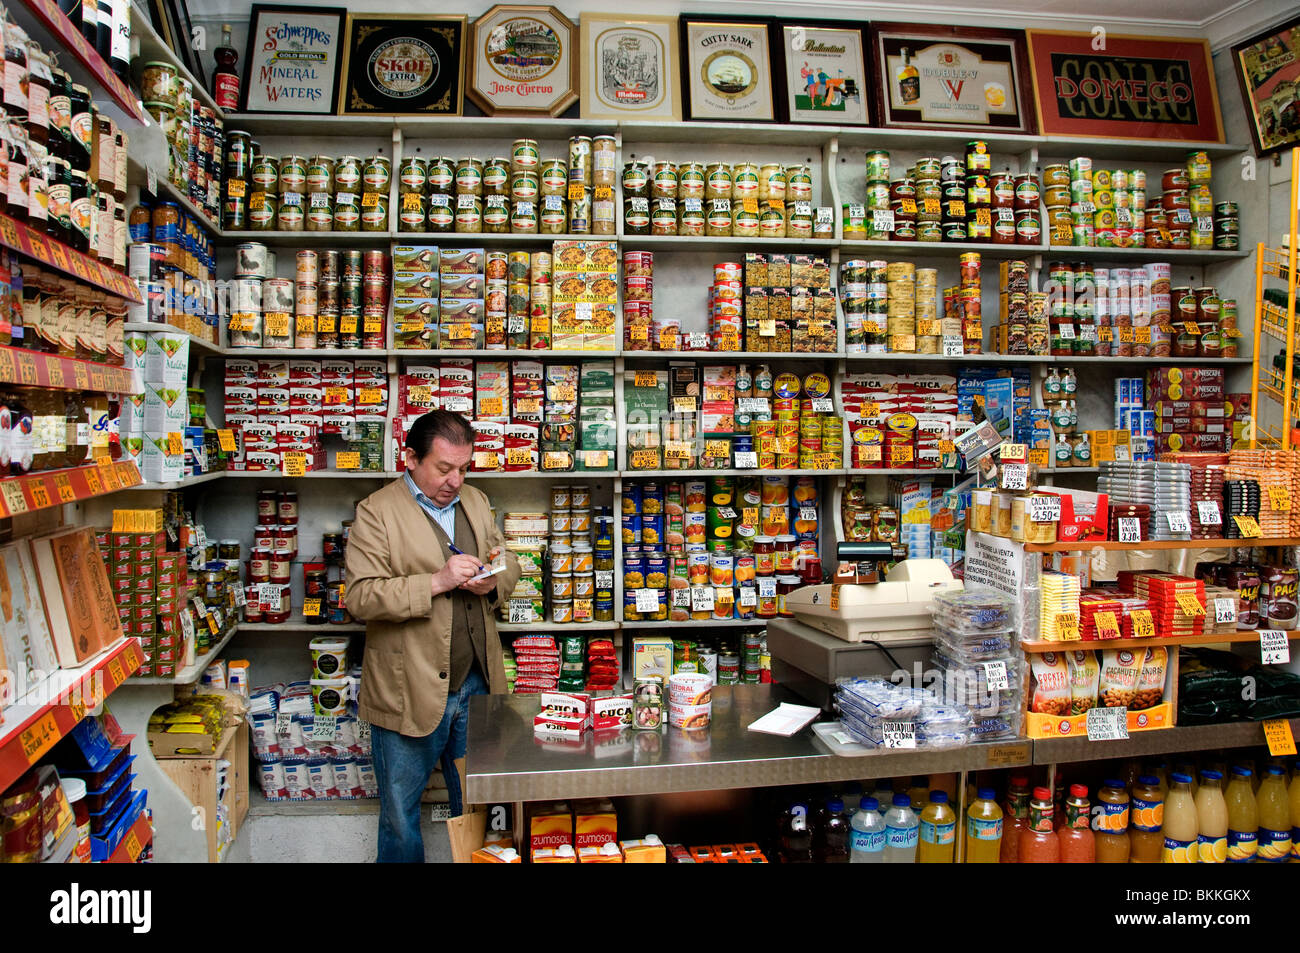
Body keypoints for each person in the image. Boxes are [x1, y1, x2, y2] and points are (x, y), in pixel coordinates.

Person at [345, 410, 521, 863]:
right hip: (409, 689)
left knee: (482, 806)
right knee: (400, 816)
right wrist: (436, 582)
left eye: (463, 468)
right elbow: (360, 597)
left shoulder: (476, 501)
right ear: (410, 458)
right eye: (444, 468)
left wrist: (493, 581)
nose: (455, 480)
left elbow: (508, 561)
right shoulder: (377, 512)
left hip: (477, 684)